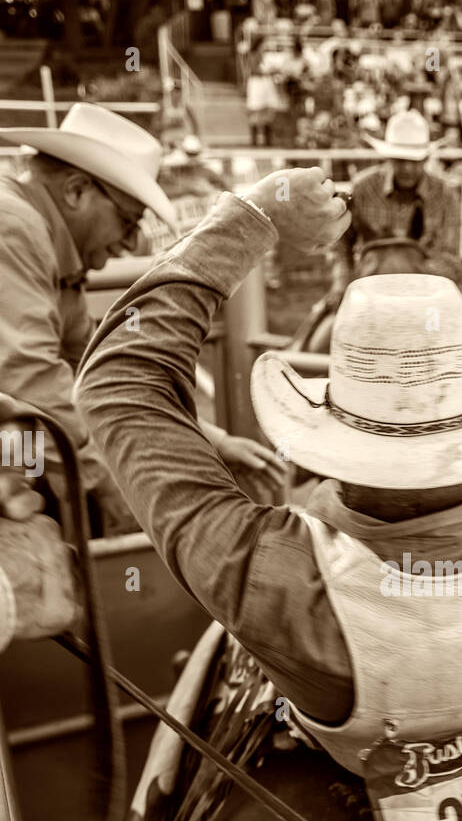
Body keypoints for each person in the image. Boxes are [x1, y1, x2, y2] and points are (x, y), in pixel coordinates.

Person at [75, 167, 462, 821]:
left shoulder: (273, 579)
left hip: (338, 738)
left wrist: (249, 219)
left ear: (337, 440)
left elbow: (120, 381)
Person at [0, 104, 282, 535]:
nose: (130, 244)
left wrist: (211, 440)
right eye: (128, 222)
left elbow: (95, 383)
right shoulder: (13, 227)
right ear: (76, 191)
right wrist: (126, 491)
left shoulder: (59, 259)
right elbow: (33, 381)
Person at [327, 109, 462, 307]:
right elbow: (340, 243)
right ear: (388, 158)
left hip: (426, 297)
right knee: (321, 331)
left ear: (425, 159)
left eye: (414, 161)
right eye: (400, 160)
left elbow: (450, 259)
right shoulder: (363, 188)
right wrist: (341, 282)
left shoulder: (445, 195)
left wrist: (409, 277)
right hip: (368, 293)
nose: (407, 169)